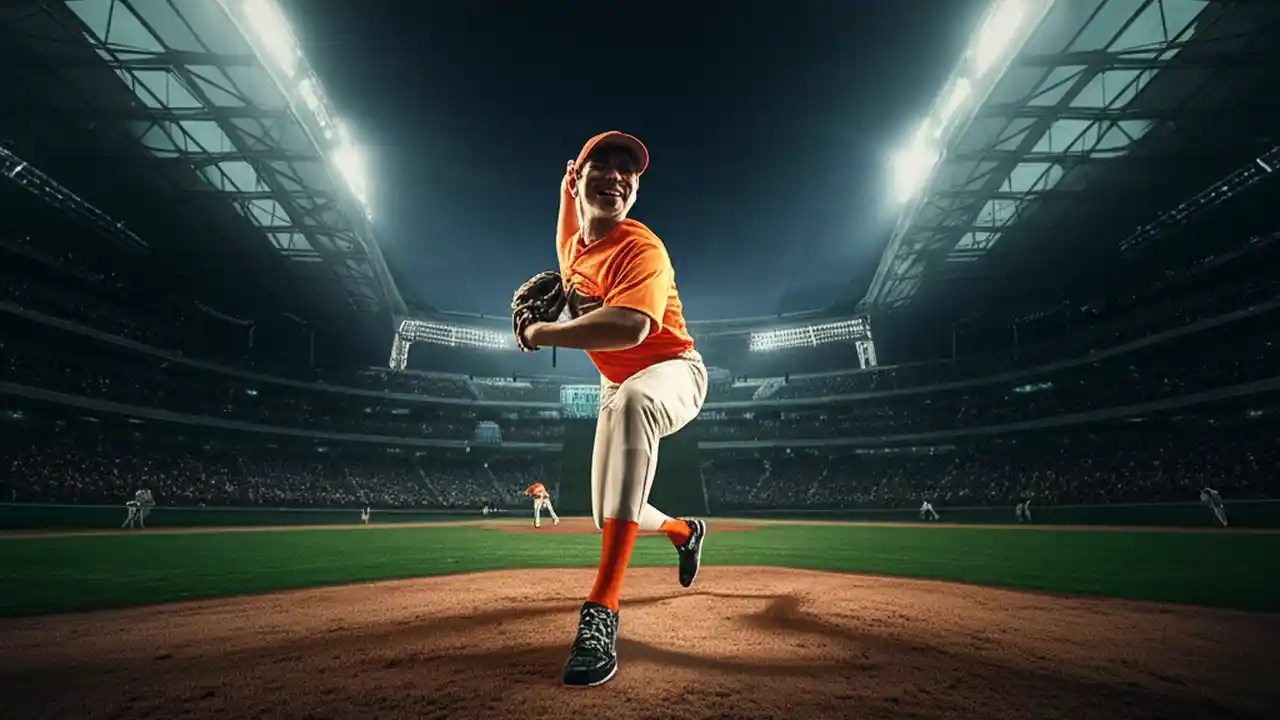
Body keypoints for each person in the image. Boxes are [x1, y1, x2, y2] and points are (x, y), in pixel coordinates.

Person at [520, 131, 708, 687]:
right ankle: (682, 530)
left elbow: (631, 327)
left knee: (633, 401)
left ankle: (602, 608)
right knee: (607, 514)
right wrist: (567, 185)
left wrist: (544, 331)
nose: (618, 176)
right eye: (603, 164)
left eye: (629, 170)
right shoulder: (572, 243)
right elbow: (566, 206)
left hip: (675, 370)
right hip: (616, 384)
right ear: (579, 177)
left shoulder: (640, 247)